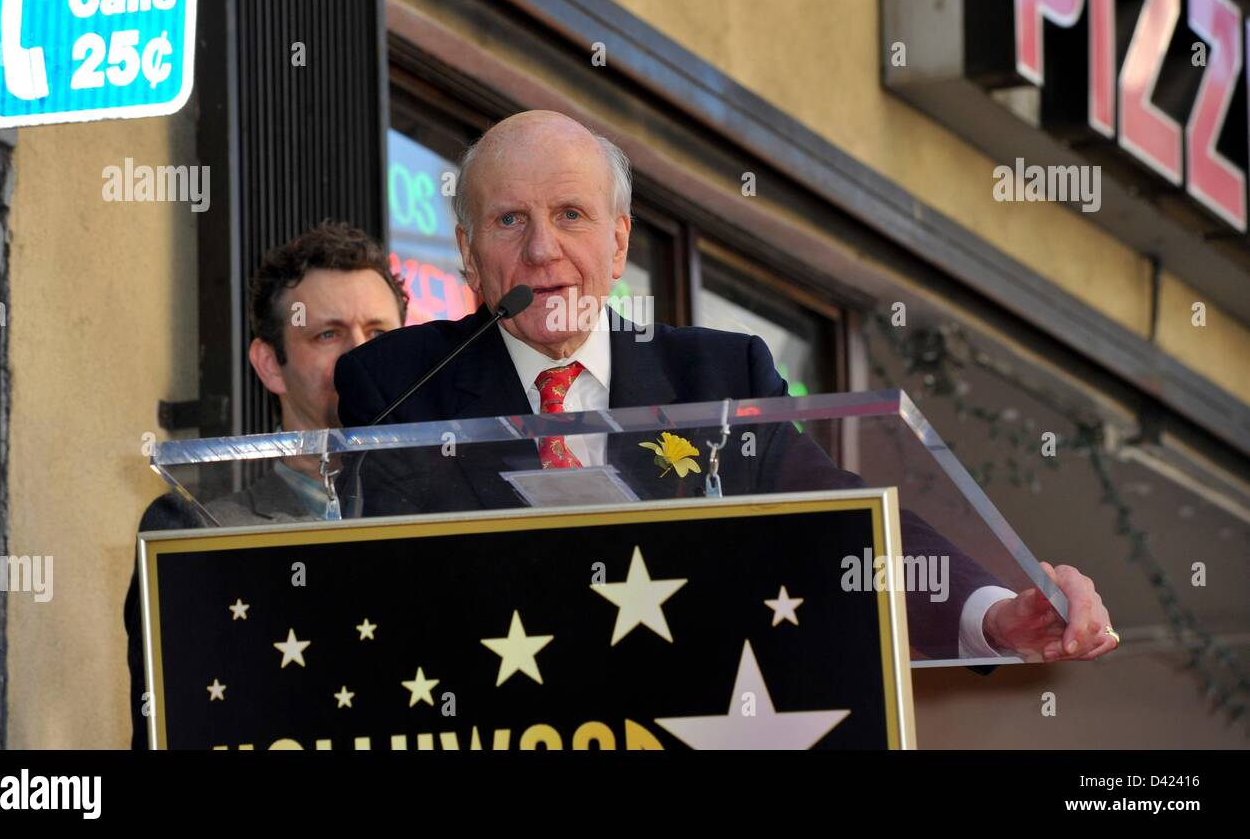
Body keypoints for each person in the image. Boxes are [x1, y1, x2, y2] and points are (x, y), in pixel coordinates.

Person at [335, 110, 1120, 668]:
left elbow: (836, 524)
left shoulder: (720, 375)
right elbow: (397, 575)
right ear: (468, 256)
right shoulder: (400, 382)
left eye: (571, 215)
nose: (543, 250)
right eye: (509, 221)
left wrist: (992, 615)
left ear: (617, 242)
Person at [123, 221, 408, 749]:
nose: (360, 356)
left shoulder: (453, 518)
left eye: (380, 335)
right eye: (329, 334)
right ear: (269, 366)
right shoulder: (199, 528)